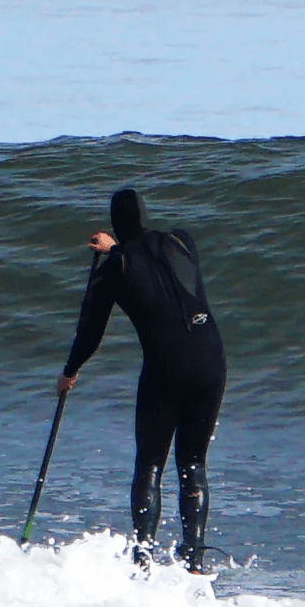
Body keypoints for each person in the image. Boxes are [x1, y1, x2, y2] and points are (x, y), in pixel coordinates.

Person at [57, 188, 226, 572]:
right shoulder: (183, 241)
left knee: (150, 463)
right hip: (211, 359)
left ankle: (144, 560)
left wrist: (70, 371)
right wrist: (118, 249)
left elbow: (91, 330)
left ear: (116, 225)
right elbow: (150, 259)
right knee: (193, 462)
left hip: (166, 365)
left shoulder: (114, 267)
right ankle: (195, 560)